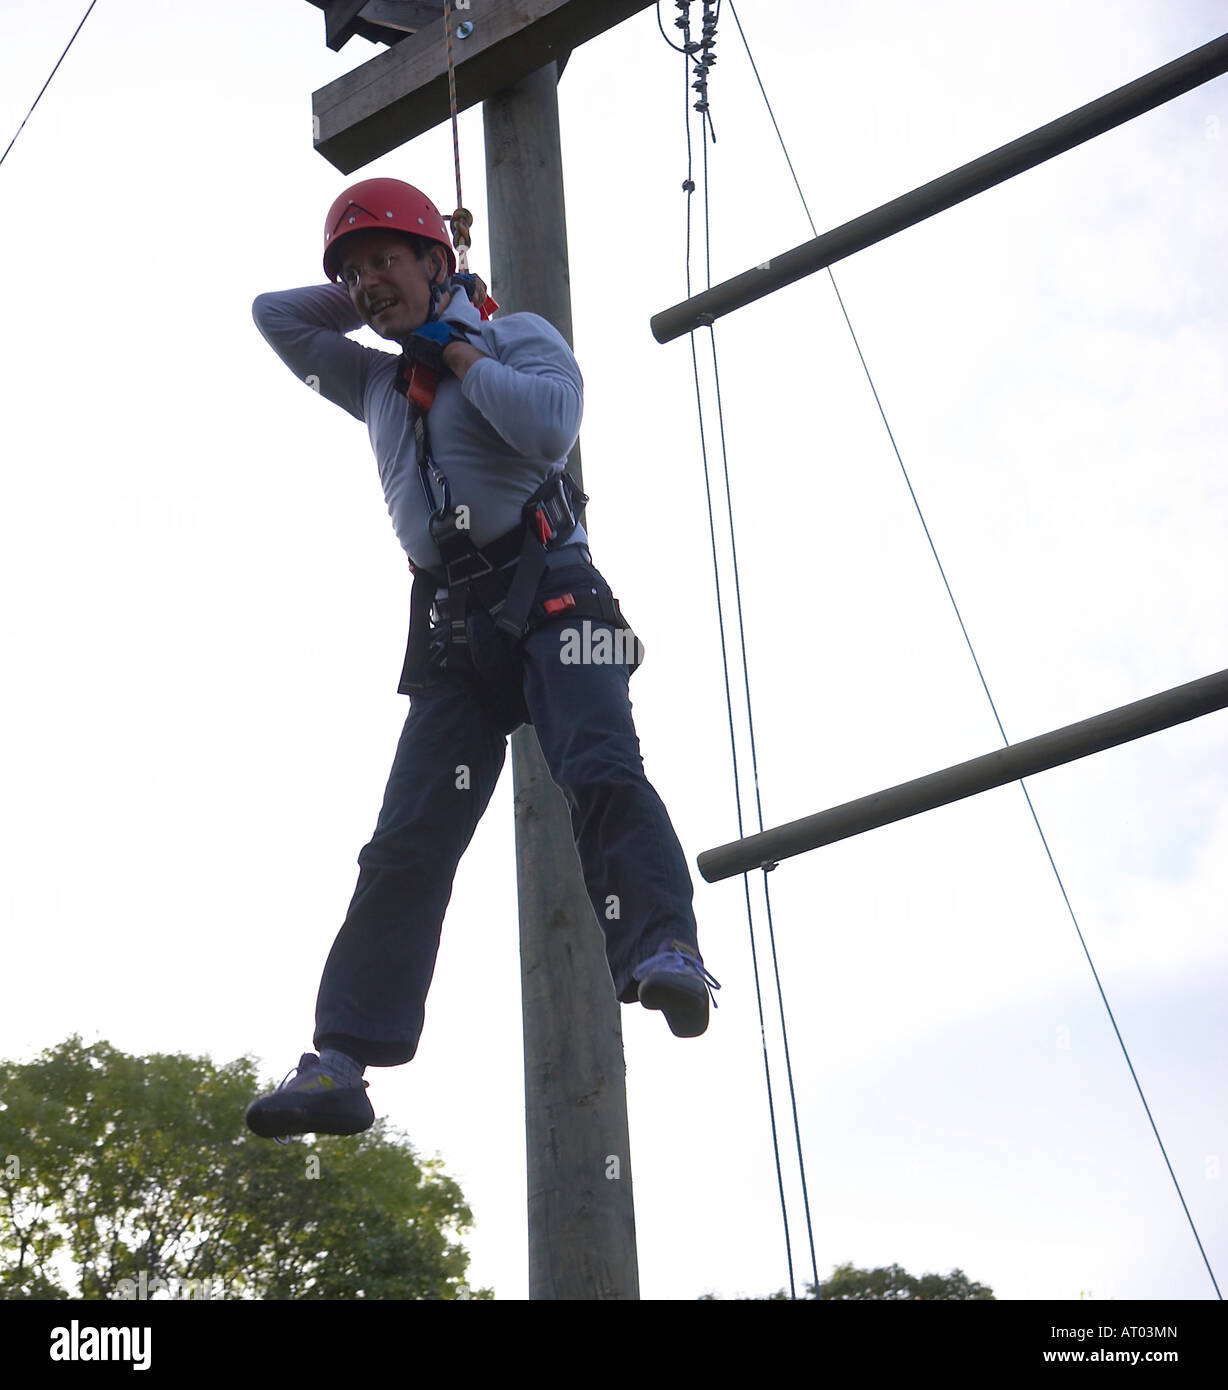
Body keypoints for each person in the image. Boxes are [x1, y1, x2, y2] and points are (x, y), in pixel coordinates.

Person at [244, 178, 717, 1141]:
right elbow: (276, 315)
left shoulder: (516, 341)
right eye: (356, 270)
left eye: (388, 259)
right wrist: (382, 299)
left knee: (600, 767)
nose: (370, 282)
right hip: (458, 630)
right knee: (407, 842)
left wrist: (455, 337)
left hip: (561, 600)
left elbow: (549, 427)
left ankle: (665, 945)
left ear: (437, 262)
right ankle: (343, 1058)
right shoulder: (375, 381)